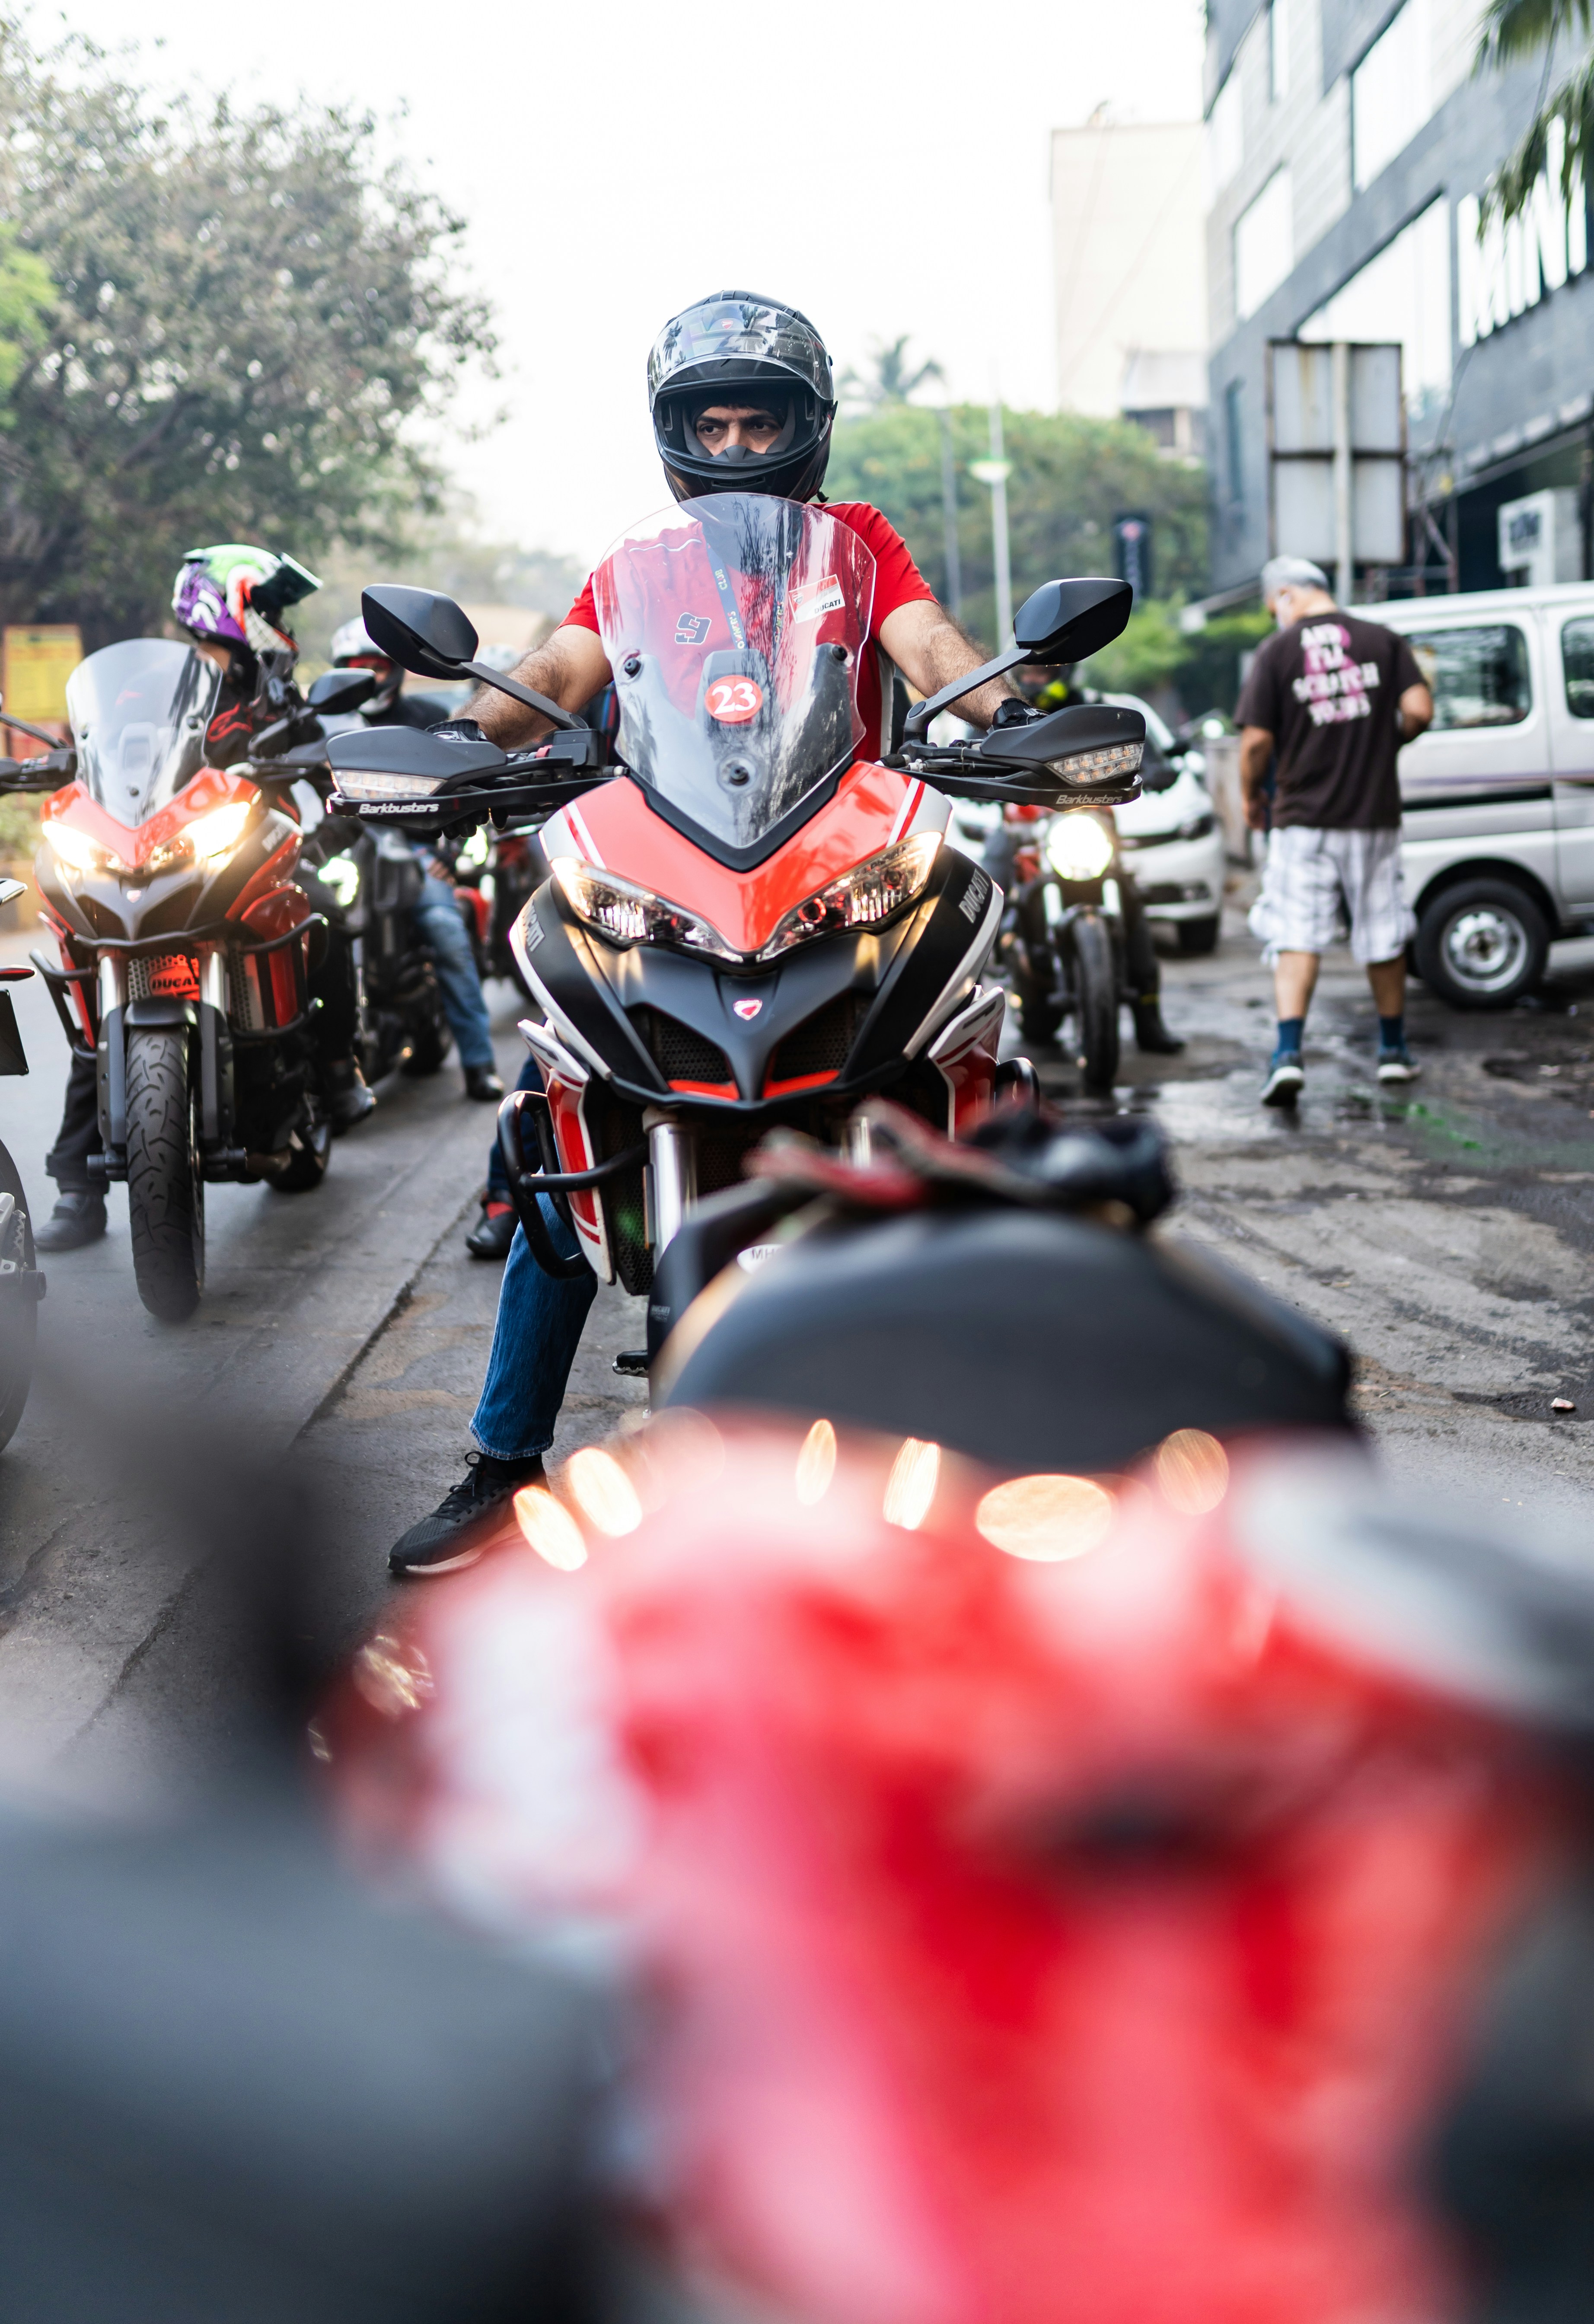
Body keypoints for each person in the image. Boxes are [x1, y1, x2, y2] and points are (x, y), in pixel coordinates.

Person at [387, 286, 1033, 1575]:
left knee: (981, 1079)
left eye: (759, 423)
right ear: (675, 434)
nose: (736, 446)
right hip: (674, 881)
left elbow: (924, 645)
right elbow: (558, 672)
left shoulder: (857, 542)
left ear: (805, 427)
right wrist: (461, 733)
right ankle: (505, 1463)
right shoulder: (641, 567)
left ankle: (1017, 1442)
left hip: (837, 875)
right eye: (713, 425)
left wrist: (1006, 709)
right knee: (557, 1116)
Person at [36, 546, 375, 1254]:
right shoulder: (146, 688)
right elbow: (97, 755)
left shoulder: (276, 693)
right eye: (269, 607)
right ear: (231, 606)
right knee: (105, 965)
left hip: (253, 848)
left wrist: (324, 822)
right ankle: (77, 1186)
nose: (279, 622)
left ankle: (337, 1066)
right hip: (156, 850)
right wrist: (53, 765)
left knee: (325, 913)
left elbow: (327, 770)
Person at [1238, 555, 1433, 1108]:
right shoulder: (1382, 640)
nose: (1275, 616)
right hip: (1372, 815)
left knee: (1296, 934)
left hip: (1302, 820)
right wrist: (1387, 741)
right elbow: (1419, 710)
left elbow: (1255, 743)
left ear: (1286, 595)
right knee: (1382, 930)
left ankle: (1287, 1056)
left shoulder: (1276, 652)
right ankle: (1392, 1051)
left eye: (1273, 606)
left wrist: (1252, 795)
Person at [329, 621, 504, 1105]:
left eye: (376, 666)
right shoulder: (323, 724)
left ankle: (479, 1063)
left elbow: (461, 788)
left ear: (394, 671)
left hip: (413, 853)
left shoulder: (426, 719)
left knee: (446, 931)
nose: (368, 677)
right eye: (356, 668)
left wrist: (447, 853)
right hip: (342, 855)